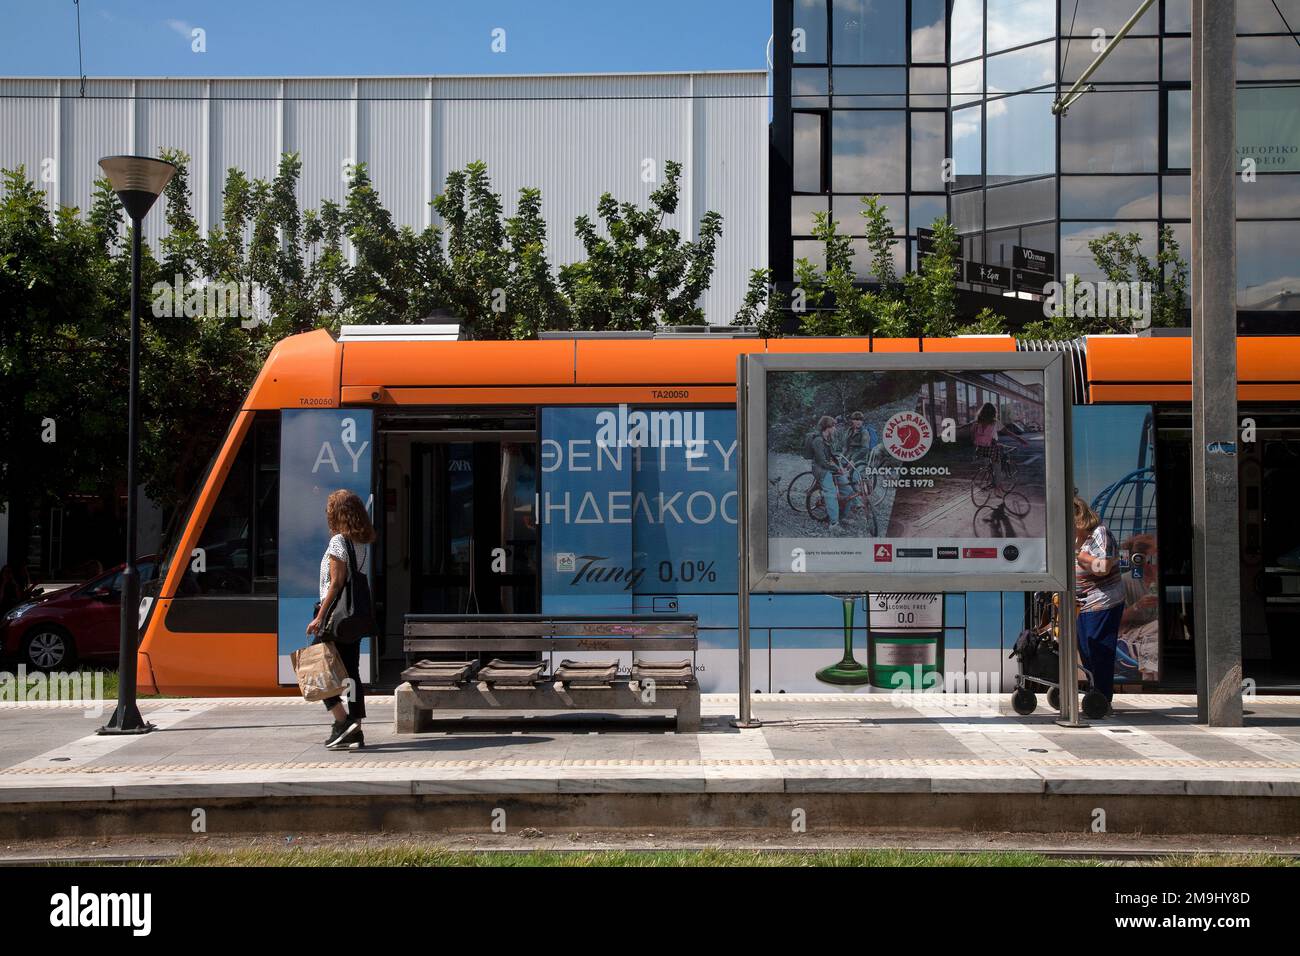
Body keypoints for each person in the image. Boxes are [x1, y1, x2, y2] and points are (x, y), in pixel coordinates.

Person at [306, 489, 376, 751]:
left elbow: (335, 585)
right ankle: (355, 727)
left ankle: (341, 721)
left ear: (338, 513)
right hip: (352, 618)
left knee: (314, 668)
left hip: (334, 616)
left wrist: (319, 618)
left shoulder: (338, 542)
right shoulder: (361, 543)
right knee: (352, 671)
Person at [1074, 495, 1126, 715]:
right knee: (1086, 649)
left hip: (1102, 601)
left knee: (1098, 649)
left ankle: (1102, 699)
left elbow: (1102, 566)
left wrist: (1081, 556)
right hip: (1080, 603)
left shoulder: (1099, 534)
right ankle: (1095, 693)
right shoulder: (1074, 538)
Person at [806, 415, 856, 530]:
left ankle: (842, 516)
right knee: (831, 493)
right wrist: (837, 469)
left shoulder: (828, 438)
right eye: (833, 426)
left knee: (848, 491)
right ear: (827, 427)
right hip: (821, 469)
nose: (835, 428)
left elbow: (832, 455)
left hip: (830, 467)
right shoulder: (818, 441)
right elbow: (822, 461)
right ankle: (834, 523)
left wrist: (841, 466)